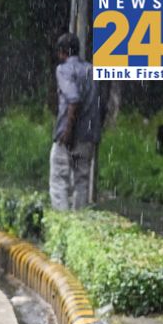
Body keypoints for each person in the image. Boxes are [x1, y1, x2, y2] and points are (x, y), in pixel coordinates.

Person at [50, 32, 102, 211]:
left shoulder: (63, 70)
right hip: (88, 136)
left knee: (59, 180)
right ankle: (78, 223)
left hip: (68, 135)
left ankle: (62, 224)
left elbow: (73, 99)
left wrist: (67, 131)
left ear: (63, 52)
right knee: (81, 182)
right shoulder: (92, 70)